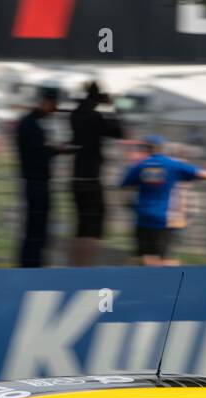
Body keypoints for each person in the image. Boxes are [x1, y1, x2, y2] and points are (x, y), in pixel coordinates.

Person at [120, 135, 206, 266]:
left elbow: (124, 186)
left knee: (144, 257)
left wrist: (131, 205)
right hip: (163, 219)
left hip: (143, 217)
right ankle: (174, 280)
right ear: (161, 148)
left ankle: (148, 279)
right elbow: (202, 173)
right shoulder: (172, 165)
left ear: (147, 149)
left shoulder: (140, 166)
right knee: (165, 258)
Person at [68, 81, 125, 266]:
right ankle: (89, 267)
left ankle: (75, 266)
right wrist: (110, 106)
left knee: (81, 224)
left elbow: (81, 111)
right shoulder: (96, 117)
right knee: (94, 227)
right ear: (97, 97)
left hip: (76, 177)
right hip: (92, 179)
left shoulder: (75, 115)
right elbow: (119, 132)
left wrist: (92, 101)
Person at [14, 86, 72, 268]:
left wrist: (52, 150)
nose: (53, 111)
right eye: (53, 106)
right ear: (45, 103)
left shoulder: (28, 124)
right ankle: (32, 264)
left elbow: (37, 151)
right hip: (37, 183)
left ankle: (30, 263)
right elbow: (37, 156)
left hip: (33, 183)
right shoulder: (31, 126)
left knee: (34, 227)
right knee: (37, 228)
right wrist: (56, 150)